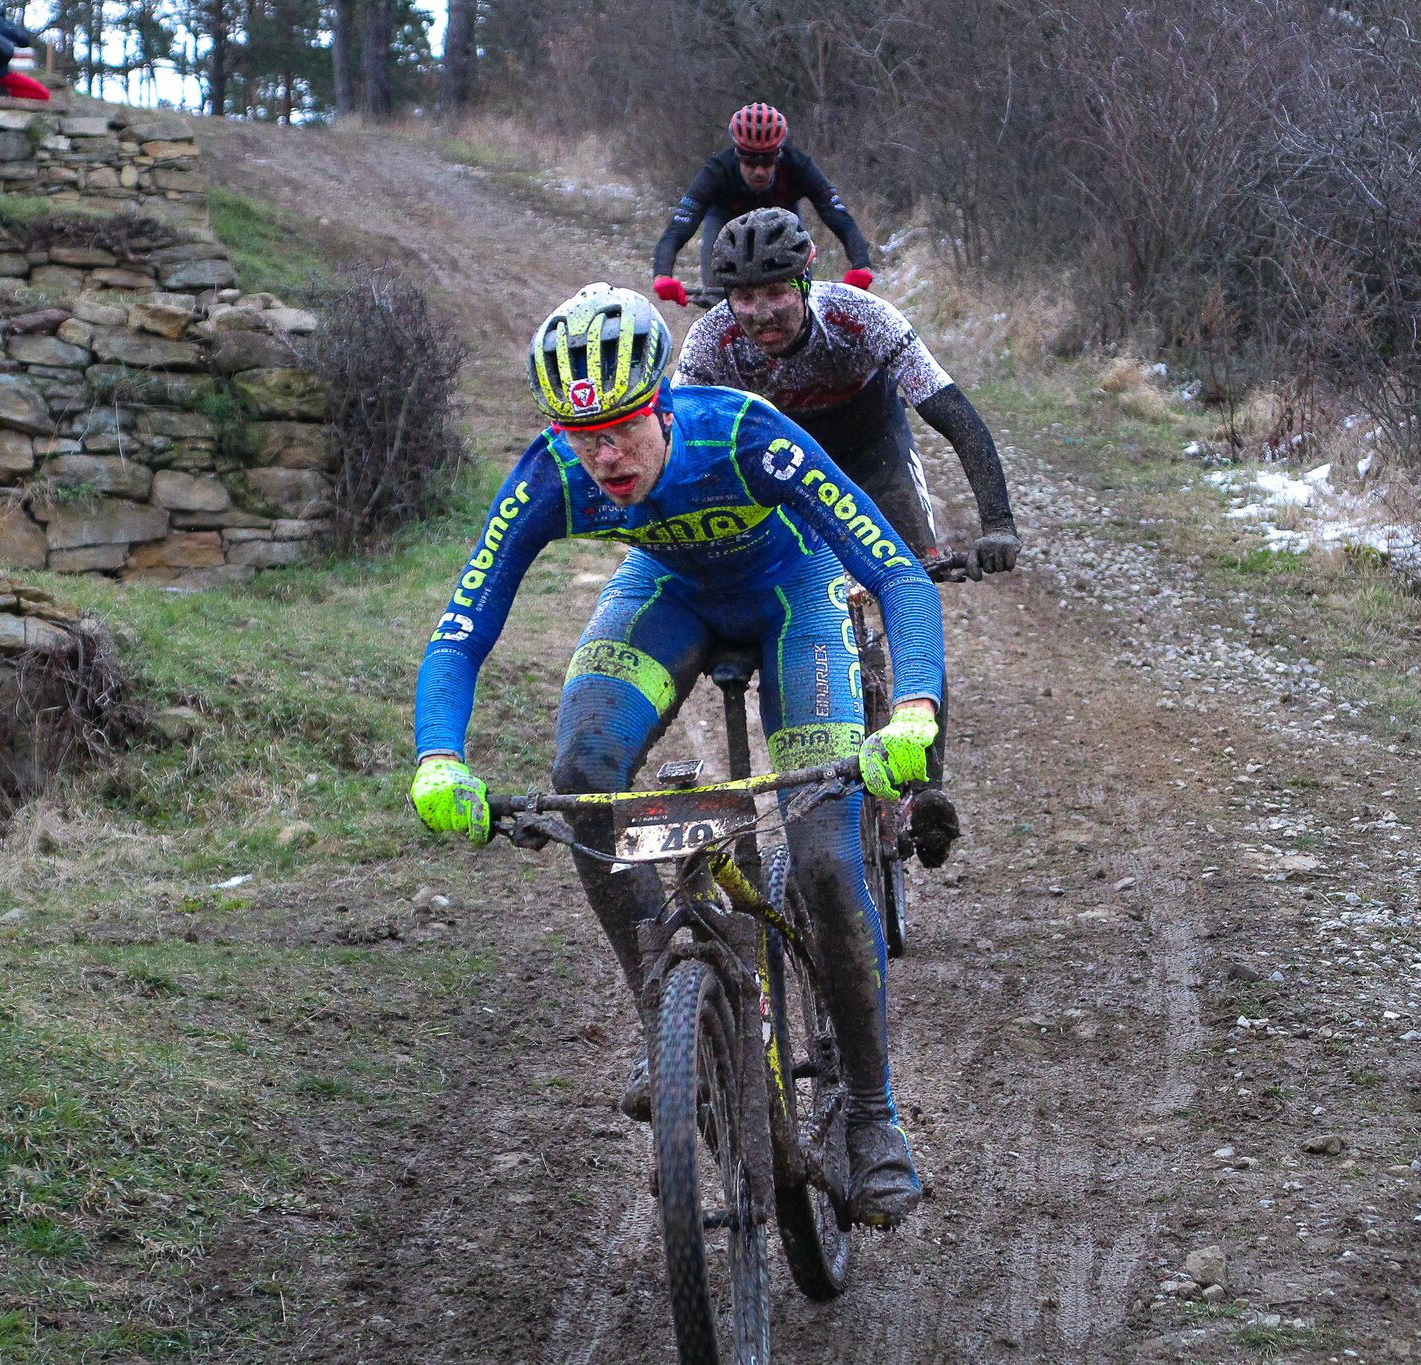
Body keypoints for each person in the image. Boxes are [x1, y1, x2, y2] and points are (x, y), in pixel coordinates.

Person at [411, 283, 942, 1228]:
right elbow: (462, 629)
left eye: (620, 427)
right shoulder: (555, 473)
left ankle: (871, 1115)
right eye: (582, 434)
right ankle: (670, 1025)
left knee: (822, 854)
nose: (602, 454)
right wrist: (438, 757)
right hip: (668, 595)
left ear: (661, 402)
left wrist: (911, 711)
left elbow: (892, 567)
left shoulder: (745, 435)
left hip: (793, 601)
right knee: (582, 780)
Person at [677, 207, 1021, 867]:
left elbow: (953, 413)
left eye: (775, 292)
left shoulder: (863, 320)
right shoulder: (710, 344)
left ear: (807, 280)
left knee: (909, 588)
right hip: (775, 469)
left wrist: (997, 523)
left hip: (870, 452)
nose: (761, 313)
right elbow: (682, 452)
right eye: (744, 298)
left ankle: (926, 792)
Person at [652, 102, 871, 305]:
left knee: (800, 297)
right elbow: (679, 227)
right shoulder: (717, 171)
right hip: (724, 221)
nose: (759, 171)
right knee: (718, 299)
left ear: (778, 155)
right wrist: (663, 274)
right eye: (749, 160)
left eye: (767, 161)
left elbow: (840, 218)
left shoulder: (799, 166)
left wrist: (860, 265)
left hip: (782, 219)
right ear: (737, 154)